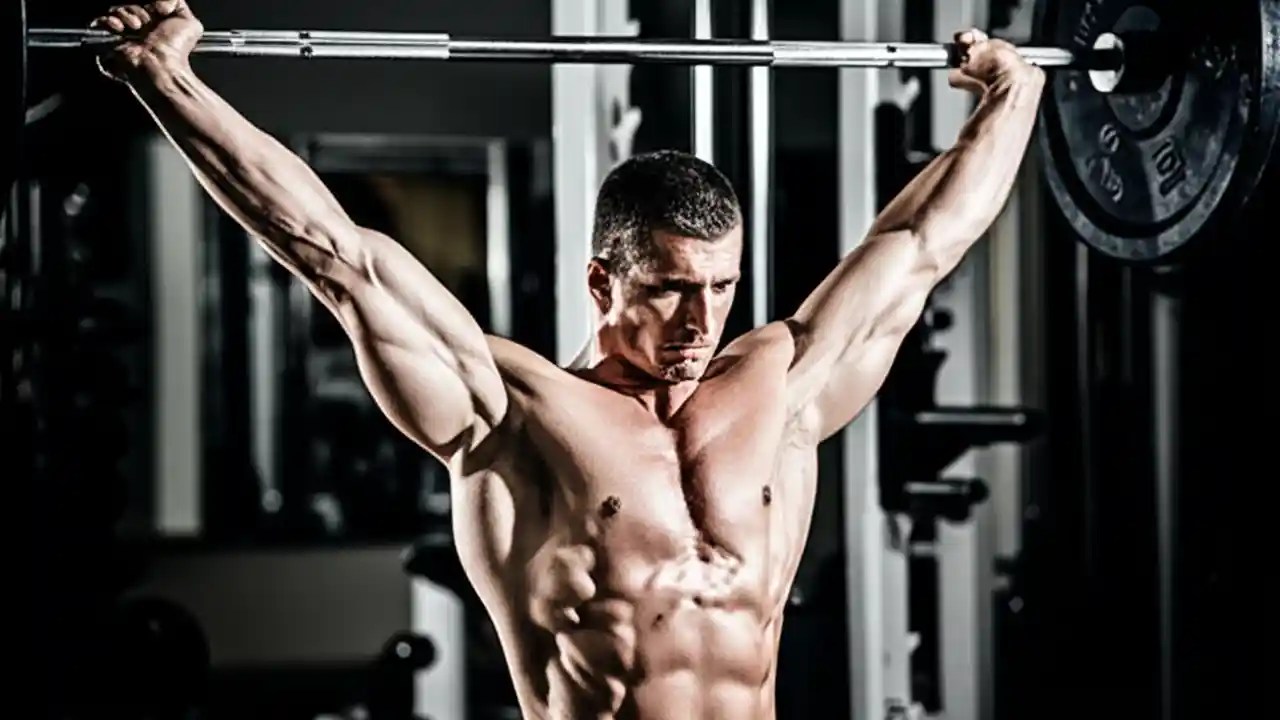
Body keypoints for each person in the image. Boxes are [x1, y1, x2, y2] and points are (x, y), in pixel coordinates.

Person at [91, 1, 1045, 717]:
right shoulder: (516, 416)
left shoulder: (780, 387)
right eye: (669, 287)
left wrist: (1016, 93)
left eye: (720, 287)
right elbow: (336, 256)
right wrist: (164, 78)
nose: (699, 319)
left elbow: (923, 244)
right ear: (602, 283)